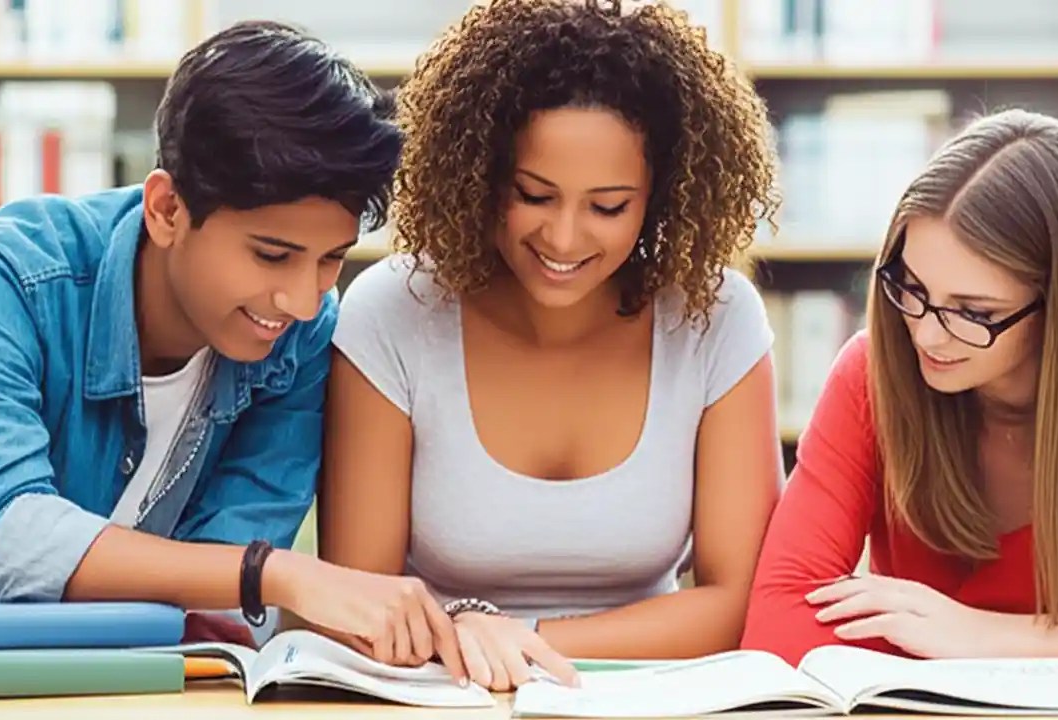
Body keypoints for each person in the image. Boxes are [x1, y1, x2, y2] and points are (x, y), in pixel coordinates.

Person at [0, 20, 464, 678]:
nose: (303, 300)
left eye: (330, 261)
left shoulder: (305, 337)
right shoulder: (8, 274)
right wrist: (271, 574)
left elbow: (218, 605)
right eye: (272, 255)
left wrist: (254, 577)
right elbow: (4, 540)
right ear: (167, 209)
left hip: (132, 685)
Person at [323, 0, 784, 692]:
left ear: (659, 197)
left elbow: (741, 600)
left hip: (646, 694)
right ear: (482, 174)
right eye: (534, 195)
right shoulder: (393, 311)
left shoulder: (714, 317)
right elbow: (357, 604)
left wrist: (526, 639)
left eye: (607, 207)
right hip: (437, 690)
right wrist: (476, 643)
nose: (564, 240)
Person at [739, 108, 1058, 672]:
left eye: (974, 311)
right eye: (911, 287)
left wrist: (990, 637)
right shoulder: (870, 374)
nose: (927, 334)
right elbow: (778, 622)